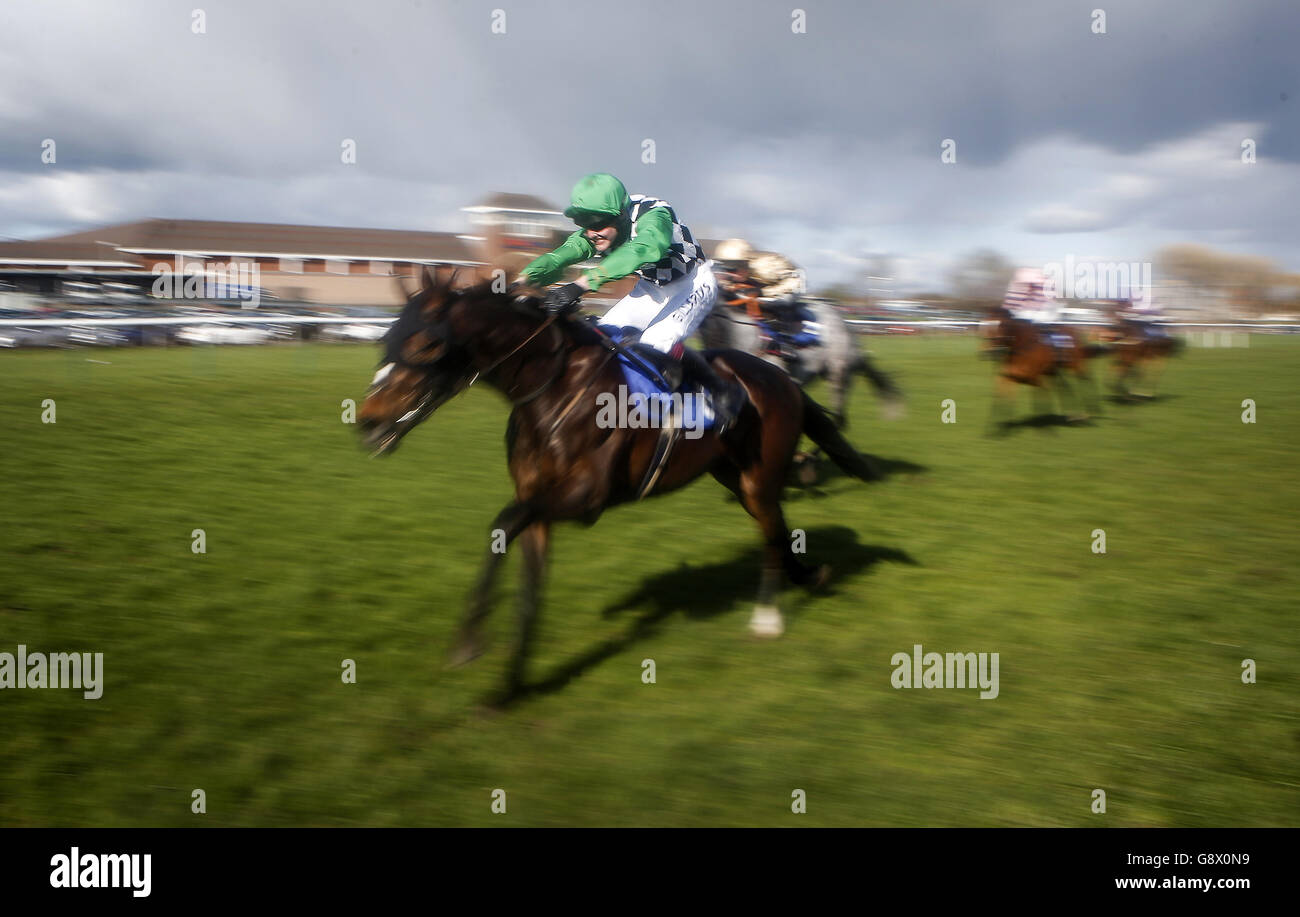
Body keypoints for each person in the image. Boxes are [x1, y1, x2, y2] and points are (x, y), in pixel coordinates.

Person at [517, 173, 741, 431]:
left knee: (657, 341)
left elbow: (645, 249)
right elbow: (559, 257)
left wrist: (579, 286)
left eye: (598, 223)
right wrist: (522, 280)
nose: (591, 232)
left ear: (621, 215)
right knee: (602, 334)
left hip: (694, 282)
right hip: (653, 287)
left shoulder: (655, 214)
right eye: (584, 223)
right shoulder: (599, 229)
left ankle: (720, 389)